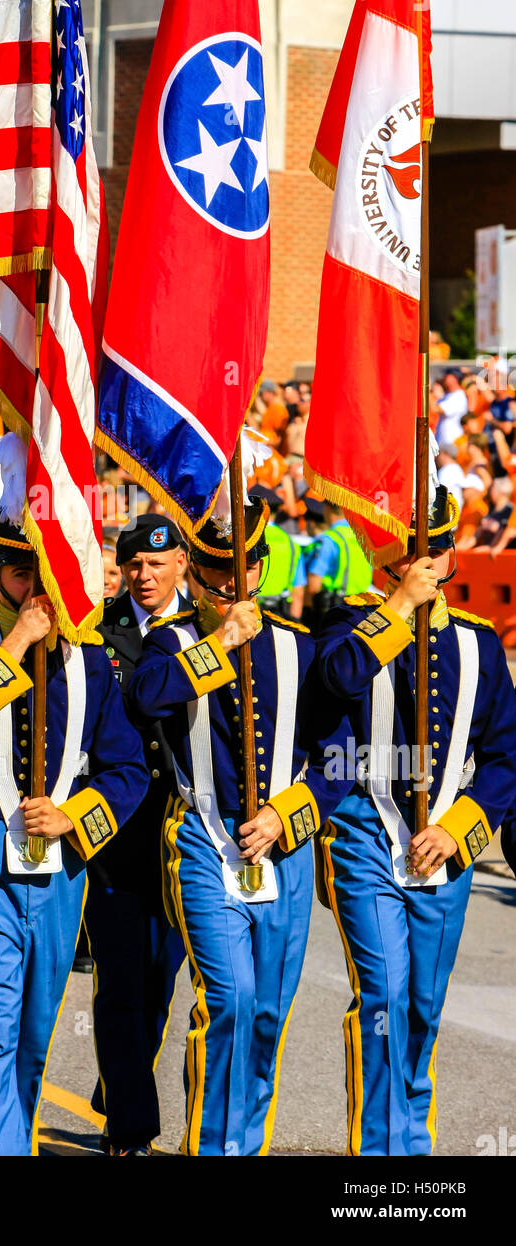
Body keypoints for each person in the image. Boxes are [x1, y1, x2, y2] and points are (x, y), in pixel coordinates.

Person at [0, 460, 147, 1156]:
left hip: (60, 859)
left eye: (44, 573)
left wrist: (78, 815)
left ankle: (9, 1138)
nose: (35, 589)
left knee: (33, 1028)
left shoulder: (90, 658)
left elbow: (126, 768)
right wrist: (21, 639)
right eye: (20, 574)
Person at [314, 486, 516, 1155]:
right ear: (386, 556)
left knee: (424, 1006)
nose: (422, 563)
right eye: (408, 552)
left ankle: (410, 1141)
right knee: (383, 998)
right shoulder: (349, 627)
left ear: (453, 554)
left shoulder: (481, 645)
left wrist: (460, 828)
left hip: (444, 844)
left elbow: (505, 758)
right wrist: (399, 609)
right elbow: (337, 681)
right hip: (365, 832)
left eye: (434, 549)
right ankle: (382, 1158)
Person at [129, 492, 323, 1156]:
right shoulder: (171, 639)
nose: (229, 583)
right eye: (214, 570)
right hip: (204, 842)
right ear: (196, 571)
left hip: (284, 849)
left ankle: (246, 1145)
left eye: (242, 568)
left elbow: (337, 755)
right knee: (230, 1001)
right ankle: (209, 1147)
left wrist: (285, 815)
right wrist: (221, 643)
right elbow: (147, 695)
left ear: (263, 569)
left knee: (267, 1013)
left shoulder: (300, 644)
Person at [85, 514, 189, 1155]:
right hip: (119, 831)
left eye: (156, 564)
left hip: (188, 836)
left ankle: (118, 1076)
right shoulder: (99, 633)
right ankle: (129, 1127)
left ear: (182, 562)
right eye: (132, 566)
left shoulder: (209, 630)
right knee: (122, 979)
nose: (144, 576)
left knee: (161, 978)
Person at [304, 499, 372, 626]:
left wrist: (309, 612)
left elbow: (314, 581)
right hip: (362, 608)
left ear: (327, 509)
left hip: (334, 609)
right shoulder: (363, 537)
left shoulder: (329, 538)